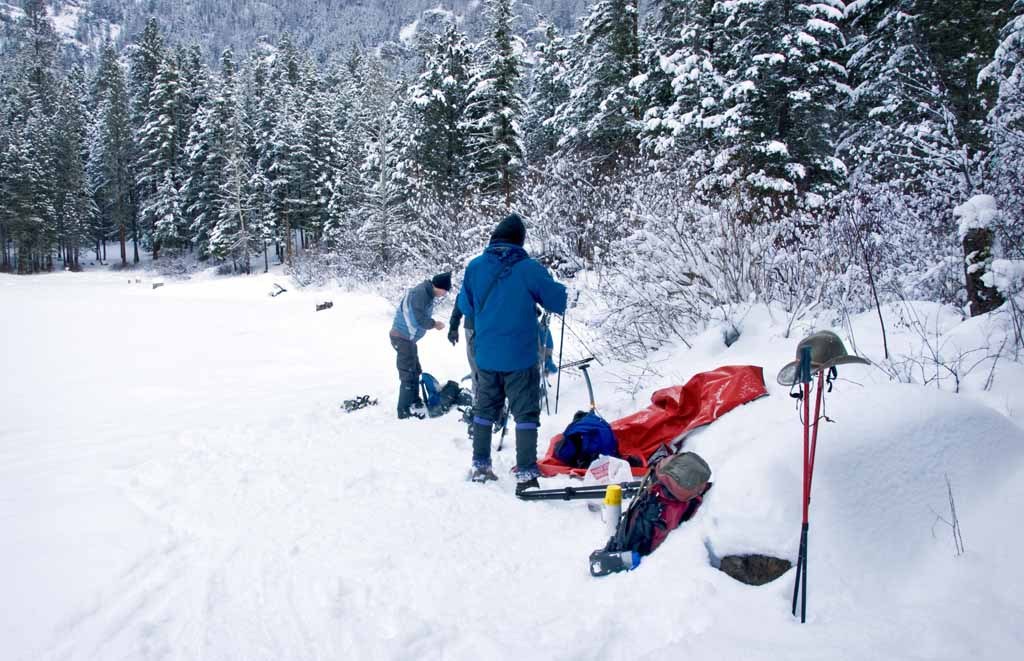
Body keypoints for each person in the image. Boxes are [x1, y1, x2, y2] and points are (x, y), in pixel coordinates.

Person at [456, 213, 567, 494]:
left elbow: (466, 307)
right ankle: (526, 474)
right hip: (520, 357)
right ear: (520, 241)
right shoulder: (530, 268)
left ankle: (481, 465)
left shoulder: (475, 267)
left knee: (484, 409)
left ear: (494, 237)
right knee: (526, 413)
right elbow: (558, 301)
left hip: (487, 355)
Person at [390, 272, 451, 419]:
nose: (445, 294)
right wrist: (434, 324)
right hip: (402, 338)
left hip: (408, 340)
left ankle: (414, 400)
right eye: (446, 291)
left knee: (415, 370)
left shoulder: (426, 292)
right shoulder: (421, 294)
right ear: (440, 288)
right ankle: (403, 410)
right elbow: (418, 319)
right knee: (408, 374)